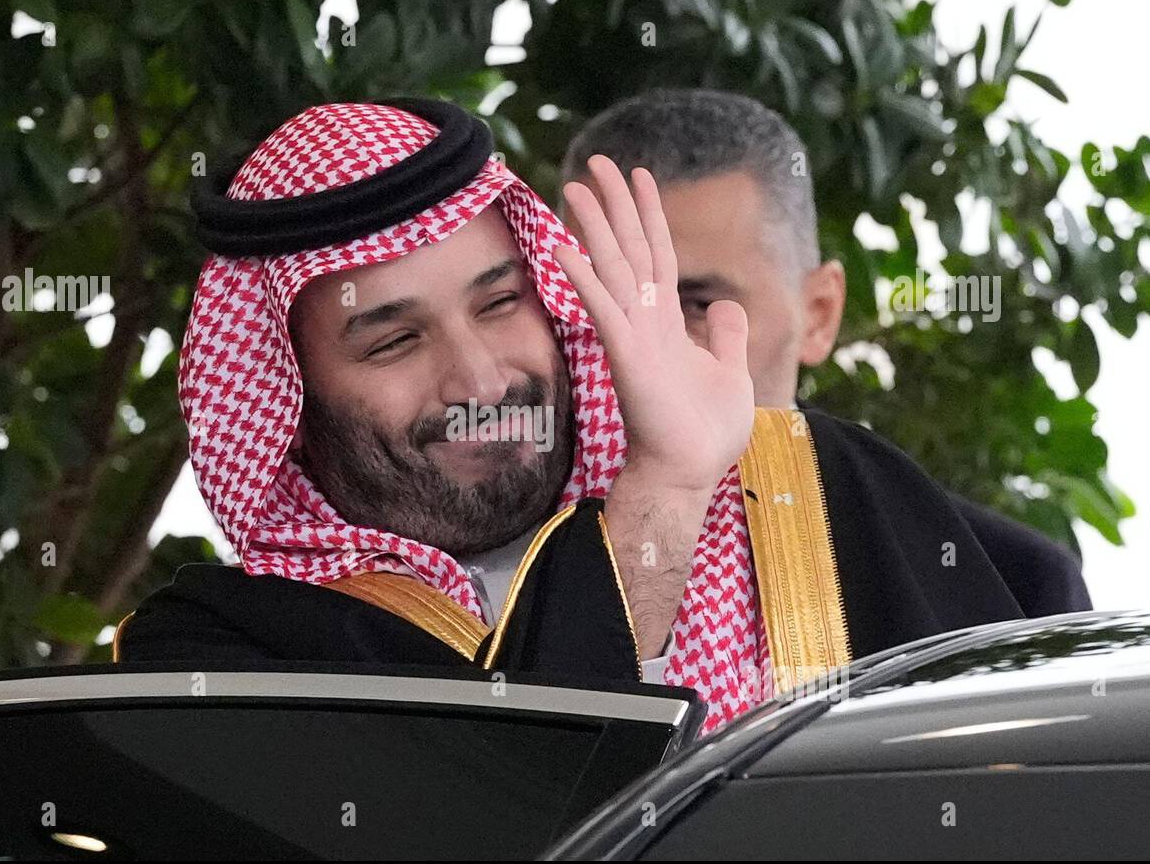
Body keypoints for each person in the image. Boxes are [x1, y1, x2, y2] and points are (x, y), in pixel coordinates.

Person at [116, 98, 1025, 733]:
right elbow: (524, 809)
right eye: (393, 341)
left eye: (500, 302)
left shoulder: (827, 494)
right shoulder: (219, 650)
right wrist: (664, 493)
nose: (479, 381)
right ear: (288, 408)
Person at [560, 87, 1092, 627]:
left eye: (695, 305)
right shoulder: (492, 558)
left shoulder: (1011, 586)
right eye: (597, 302)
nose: (636, 348)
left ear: (818, 312)